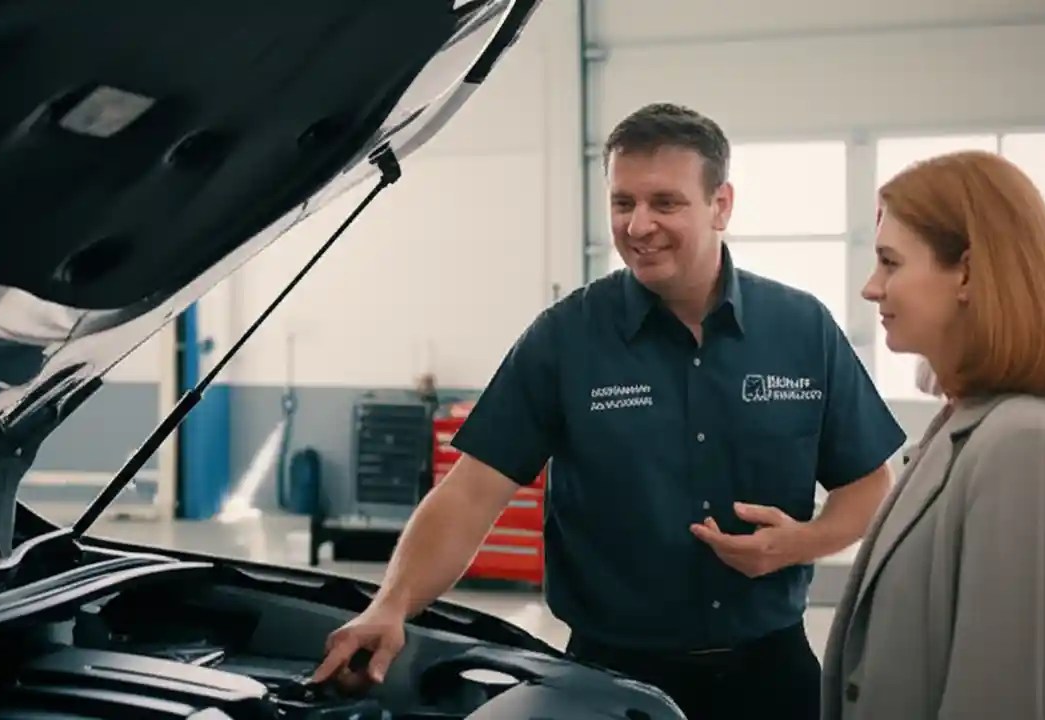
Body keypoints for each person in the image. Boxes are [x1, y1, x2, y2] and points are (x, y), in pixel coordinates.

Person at [312, 103, 905, 719]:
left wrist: (800, 544)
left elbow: (867, 482)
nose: (639, 225)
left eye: (665, 203)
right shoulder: (565, 339)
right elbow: (470, 495)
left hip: (770, 675)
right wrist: (391, 603)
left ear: (721, 205)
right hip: (609, 680)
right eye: (623, 203)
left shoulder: (802, 328)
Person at [823, 150, 1045, 719]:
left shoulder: (1019, 445)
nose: (871, 289)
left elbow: (997, 695)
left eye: (890, 263)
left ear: (967, 273)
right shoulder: (962, 423)